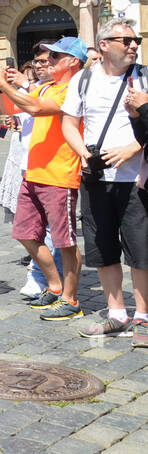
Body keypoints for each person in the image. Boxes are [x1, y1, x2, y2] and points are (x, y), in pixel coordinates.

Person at [0, 38, 86, 320]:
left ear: (72, 61)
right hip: (33, 171)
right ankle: (54, 286)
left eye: (55, 55)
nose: (48, 59)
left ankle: (71, 298)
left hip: (60, 173)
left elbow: (38, 108)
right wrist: (3, 85)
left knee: (65, 241)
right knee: (25, 233)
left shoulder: (74, 89)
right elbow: (16, 109)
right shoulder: (45, 86)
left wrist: (5, 85)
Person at [61, 19, 148, 343]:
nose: (133, 45)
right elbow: (69, 123)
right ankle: (116, 313)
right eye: (125, 40)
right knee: (102, 246)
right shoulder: (83, 80)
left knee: (141, 249)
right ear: (103, 45)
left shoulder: (144, 76)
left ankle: (144, 316)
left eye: (135, 39)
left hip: (135, 178)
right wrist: (83, 152)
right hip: (96, 178)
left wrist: (132, 148)